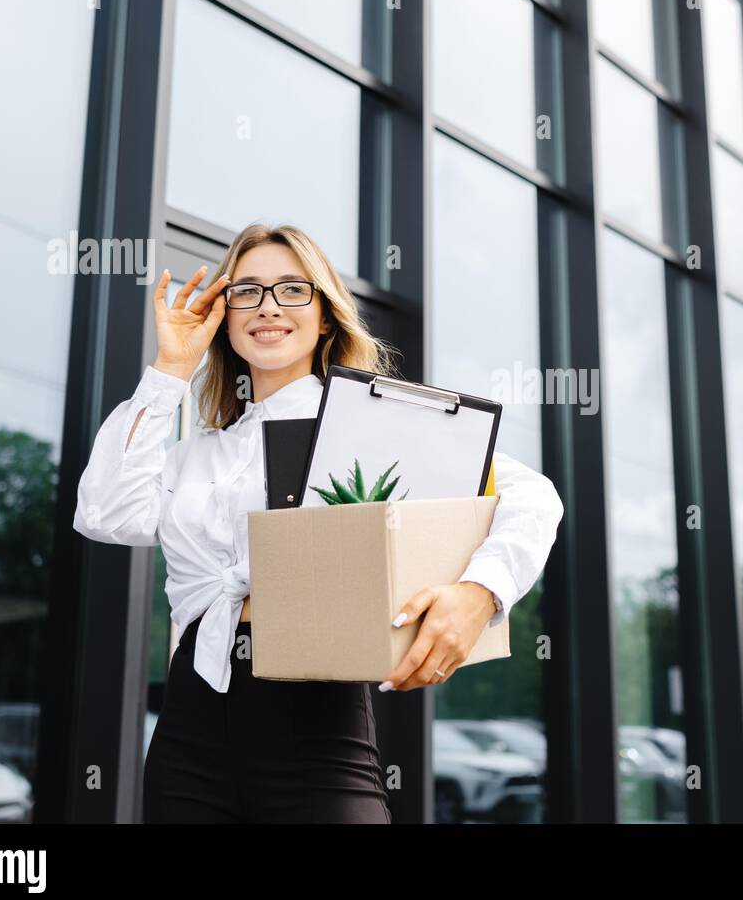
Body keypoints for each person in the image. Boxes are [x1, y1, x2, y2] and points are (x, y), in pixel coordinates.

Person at [72, 222, 565, 823]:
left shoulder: (373, 424)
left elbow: (533, 496)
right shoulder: (198, 453)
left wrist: (480, 592)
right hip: (190, 731)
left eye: (291, 289)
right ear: (224, 316)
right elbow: (103, 512)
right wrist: (170, 370)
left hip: (317, 728)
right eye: (246, 291)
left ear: (325, 314)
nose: (268, 307)